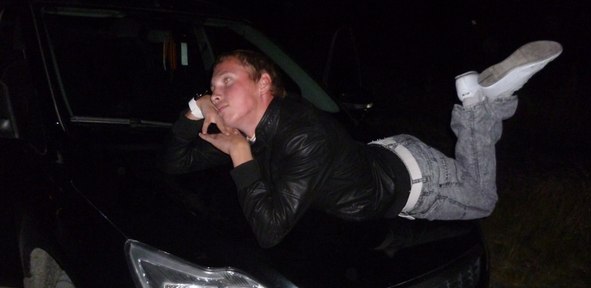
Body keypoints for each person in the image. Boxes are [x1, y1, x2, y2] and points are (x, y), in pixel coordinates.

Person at [159, 41, 562, 248]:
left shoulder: (300, 135)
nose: (216, 92)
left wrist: (239, 155)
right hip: (388, 157)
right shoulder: (253, 132)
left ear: (264, 83)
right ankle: (493, 100)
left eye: (227, 81)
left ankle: (475, 104)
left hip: (421, 182)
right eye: (212, 86)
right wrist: (193, 112)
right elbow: (174, 163)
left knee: (484, 199)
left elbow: (270, 229)